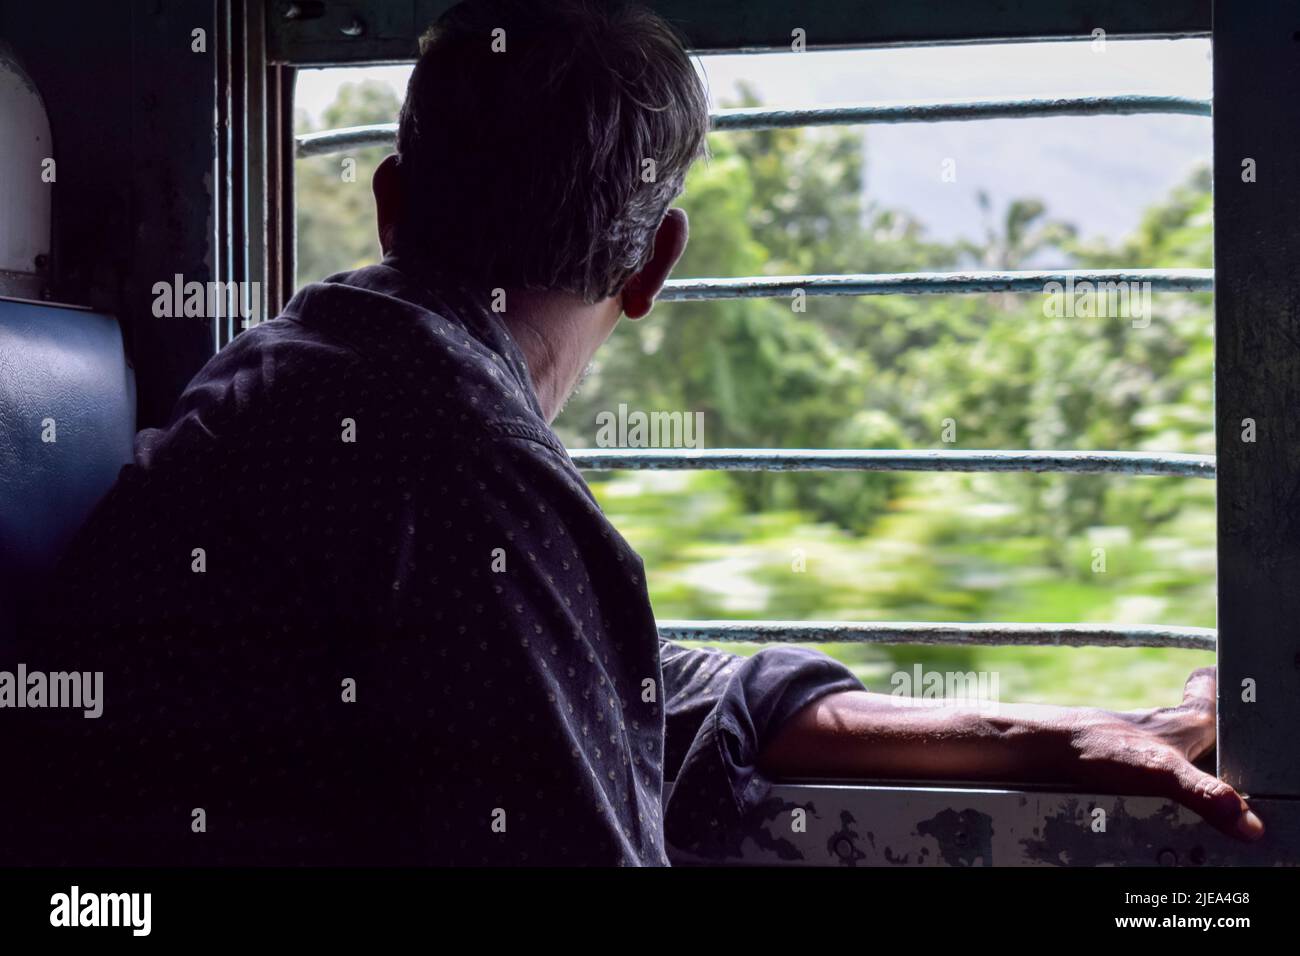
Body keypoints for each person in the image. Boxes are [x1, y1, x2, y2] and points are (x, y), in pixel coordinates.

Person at [4, 0, 1261, 865]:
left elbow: (601, 690)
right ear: (657, 262)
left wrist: (1028, 733)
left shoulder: (296, 376)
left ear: (390, 204)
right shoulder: (460, 470)